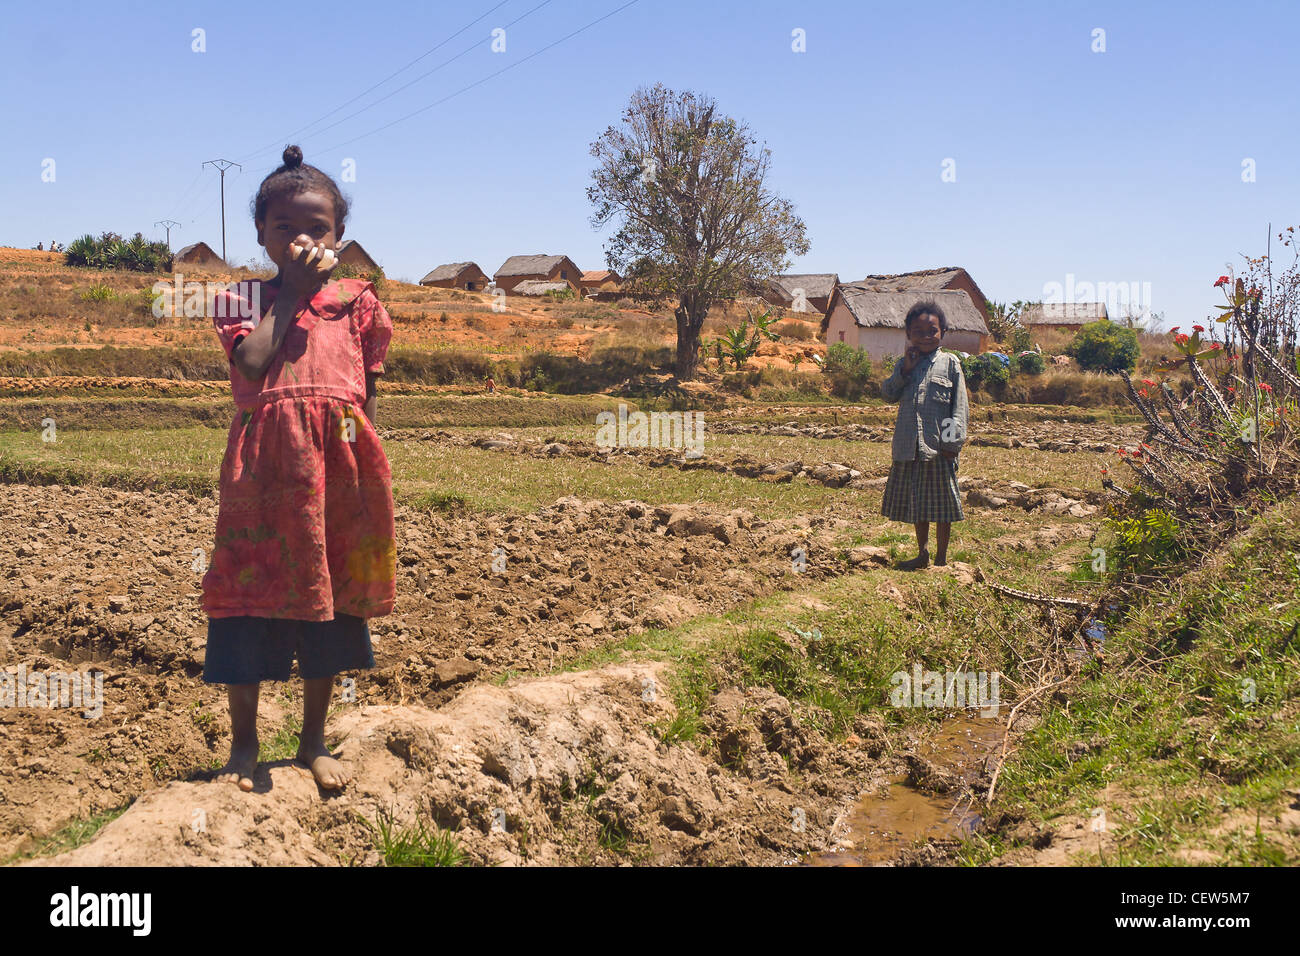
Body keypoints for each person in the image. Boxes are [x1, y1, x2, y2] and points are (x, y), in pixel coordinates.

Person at [201, 145, 396, 791]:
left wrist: (366, 474)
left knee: (332, 601)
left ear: (339, 236)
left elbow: (365, 395)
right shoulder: (239, 300)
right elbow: (253, 366)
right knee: (247, 602)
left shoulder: (361, 302)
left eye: (317, 227)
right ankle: (244, 747)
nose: (301, 237)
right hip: (262, 473)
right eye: (284, 227)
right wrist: (295, 296)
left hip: (340, 470)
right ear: (261, 233)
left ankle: (313, 740)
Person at [879, 301, 969, 569]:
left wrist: (952, 442)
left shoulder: (950, 363)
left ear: (943, 332)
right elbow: (887, 394)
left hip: (939, 446)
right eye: (918, 332)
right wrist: (905, 370)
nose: (926, 337)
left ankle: (942, 558)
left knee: (942, 505)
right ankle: (923, 553)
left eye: (932, 331)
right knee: (918, 502)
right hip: (910, 446)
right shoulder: (904, 365)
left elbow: (959, 406)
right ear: (908, 334)